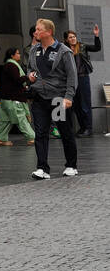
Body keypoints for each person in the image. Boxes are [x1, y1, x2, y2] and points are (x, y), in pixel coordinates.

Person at [27, 18, 79, 179]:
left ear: (48, 32)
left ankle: (71, 165)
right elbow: (29, 68)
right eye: (36, 29)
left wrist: (68, 96)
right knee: (40, 133)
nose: (35, 32)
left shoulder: (63, 51)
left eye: (38, 29)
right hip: (39, 98)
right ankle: (42, 168)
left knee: (64, 131)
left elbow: (72, 76)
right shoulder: (33, 50)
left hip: (58, 99)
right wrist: (30, 75)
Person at [63, 25, 101, 136]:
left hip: (83, 77)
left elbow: (97, 48)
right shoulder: (65, 49)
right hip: (71, 80)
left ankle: (88, 128)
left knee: (85, 104)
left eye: (74, 36)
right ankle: (83, 127)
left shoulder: (82, 46)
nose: (73, 38)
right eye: (70, 37)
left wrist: (96, 36)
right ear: (66, 39)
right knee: (76, 105)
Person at [0, 46, 35, 147]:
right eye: (17, 53)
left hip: (5, 99)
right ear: (12, 55)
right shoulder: (12, 66)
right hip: (13, 98)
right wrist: (27, 77)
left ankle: (1, 138)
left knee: (6, 120)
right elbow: (17, 80)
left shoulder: (7, 65)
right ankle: (32, 137)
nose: (19, 55)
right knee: (21, 119)